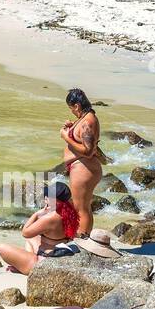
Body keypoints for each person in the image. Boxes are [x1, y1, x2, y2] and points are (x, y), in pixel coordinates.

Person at [0, 182, 79, 275]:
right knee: (31, 239)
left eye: (47, 196)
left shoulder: (50, 218)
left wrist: (37, 214)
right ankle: (24, 264)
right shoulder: (70, 212)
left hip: (44, 262)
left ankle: (26, 268)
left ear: (54, 200)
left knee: (1, 248)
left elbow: (25, 232)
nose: (45, 198)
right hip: (58, 254)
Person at [60, 88, 107, 241]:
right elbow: (83, 139)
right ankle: (83, 237)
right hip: (81, 167)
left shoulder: (88, 121)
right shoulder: (85, 118)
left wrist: (66, 137)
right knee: (81, 206)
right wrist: (71, 127)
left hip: (84, 167)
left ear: (77, 106)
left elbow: (88, 151)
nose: (72, 111)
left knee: (81, 208)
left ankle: (83, 239)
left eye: (71, 108)